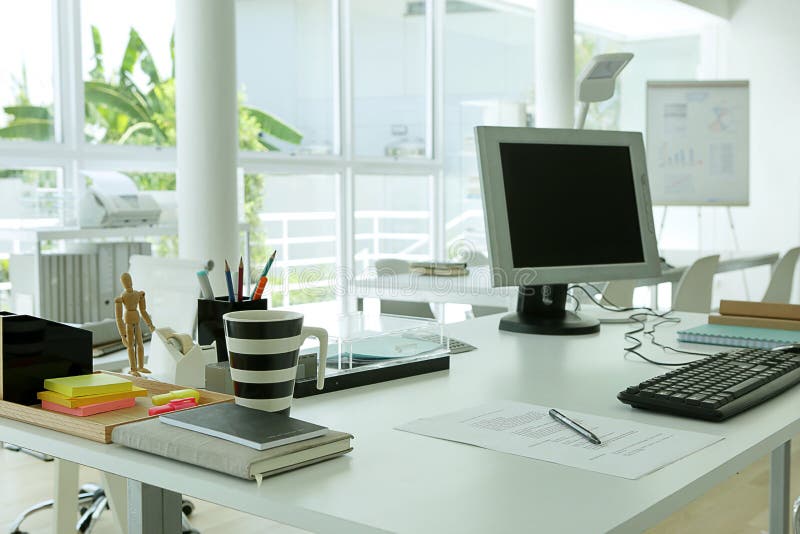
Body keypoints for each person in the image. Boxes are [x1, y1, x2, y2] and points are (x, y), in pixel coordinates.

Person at [114, 272, 155, 376]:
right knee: (130, 346)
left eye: (129, 281)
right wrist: (123, 336)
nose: (128, 283)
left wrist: (150, 324)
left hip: (137, 322)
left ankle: (140, 366)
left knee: (140, 344)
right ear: (123, 284)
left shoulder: (137, 294)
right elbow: (118, 318)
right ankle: (133, 368)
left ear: (131, 281)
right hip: (128, 324)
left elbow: (143, 310)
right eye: (125, 282)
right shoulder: (122, 297)